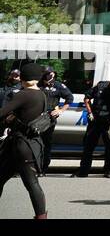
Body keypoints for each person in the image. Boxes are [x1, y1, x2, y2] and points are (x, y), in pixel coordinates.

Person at [0, 63, 62, 218]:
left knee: (31, 183)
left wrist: (9, 117)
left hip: (20, 145)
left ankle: (41, 216)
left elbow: (2, 113)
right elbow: (27, 114)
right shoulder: (41, 94)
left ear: (23, 77)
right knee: (26, 182)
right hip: (30, 145)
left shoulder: (24, 94)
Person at [77, 75, 110, 177]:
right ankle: (83, 171)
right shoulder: (101, 86)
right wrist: (89, 112)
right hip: (96, 121)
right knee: (89, 146)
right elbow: (87, 98)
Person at [37, 68, 74, 173]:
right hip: (36, 117)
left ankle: (43, 169)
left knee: (46, 144)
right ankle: (33, 167)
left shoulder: (58, 85)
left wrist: (61, 110)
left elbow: (70, 98)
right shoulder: (37, 85)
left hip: (49, 118)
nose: (50, 75)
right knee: (34, 143)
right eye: (48, 74)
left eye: (51, 73)